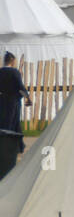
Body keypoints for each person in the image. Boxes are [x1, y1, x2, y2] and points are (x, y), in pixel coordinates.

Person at [0, 52, 31, 181]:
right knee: (13, 124)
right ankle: (13, 146)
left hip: (2, 100)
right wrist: (27, 97)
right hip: (13, 101)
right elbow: (20, 86)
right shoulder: (14, 72)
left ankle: (18, 145)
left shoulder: (0, 72)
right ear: (12, 61)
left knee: (3, 123)